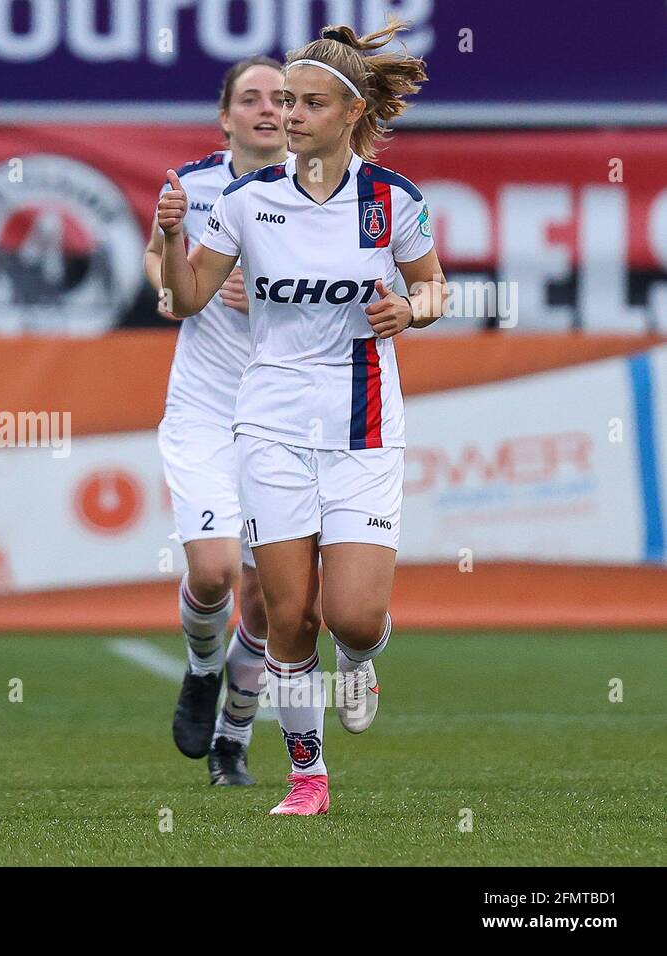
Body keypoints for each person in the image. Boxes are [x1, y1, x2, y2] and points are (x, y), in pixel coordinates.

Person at [156, 19, 447, 815]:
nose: (290, 116)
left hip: (364, 429)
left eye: (309, 103)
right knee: (290, 614)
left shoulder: (393, 201)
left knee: (353, 620)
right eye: (286, 101)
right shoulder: (247, 201)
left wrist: (410, 312)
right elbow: (186, 298)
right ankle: (307, 780)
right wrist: (175, 236)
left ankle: (361, 661)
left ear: (351, 113)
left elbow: (435, 287)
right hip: (271, 427)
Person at [143, 57, 286, 786]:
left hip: (286, 412)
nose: (267, 109)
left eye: (280, 98)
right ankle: (203, 668)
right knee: (214, 571)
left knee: (268, 597)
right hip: (204, 409)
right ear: (225, 117)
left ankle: (233, 738)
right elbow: (161, 277)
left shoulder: (323, 188)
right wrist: (179, 269)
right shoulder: (193, 187)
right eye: (250, 98)